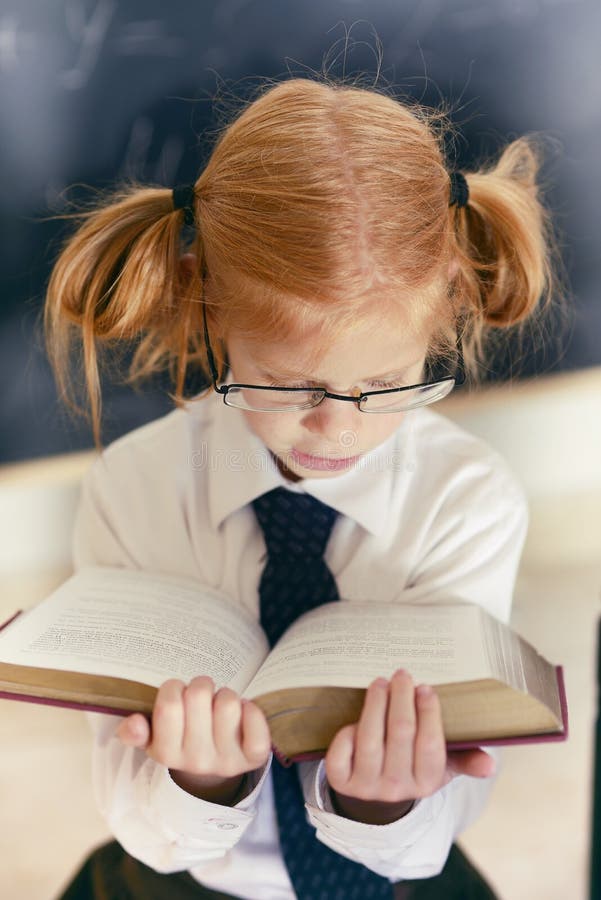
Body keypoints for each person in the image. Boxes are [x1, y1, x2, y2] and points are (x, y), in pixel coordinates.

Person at [44, 77, 562, 899]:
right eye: (290, 386)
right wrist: (200, 785)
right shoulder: (133, 490)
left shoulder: (467, 500)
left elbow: (446, 813)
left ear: (446, 309)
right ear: (210, 308)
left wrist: (381, 804)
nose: (338, 429)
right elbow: (133, 810)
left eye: (384, 384)